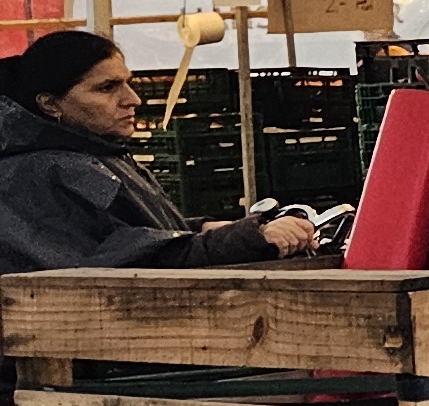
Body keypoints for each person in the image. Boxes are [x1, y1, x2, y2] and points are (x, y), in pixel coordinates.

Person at [0, 32, 323, 272]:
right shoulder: (34, 173)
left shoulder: (91, 153)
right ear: (50, 103)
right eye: (107, 87)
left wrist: (202, 228)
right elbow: (123, 262)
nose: (133, 99)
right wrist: (247, 238)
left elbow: (128, 233)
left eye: (128, 83)